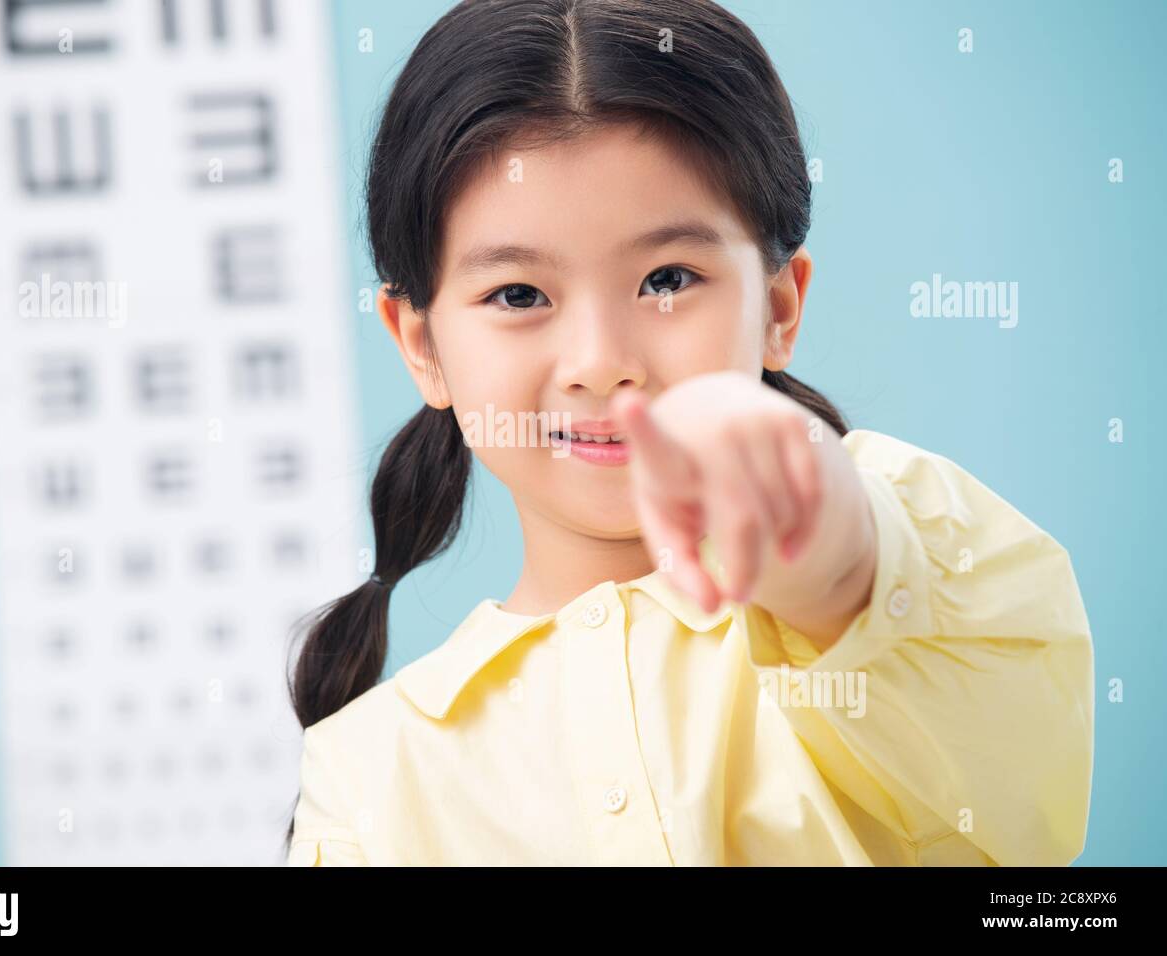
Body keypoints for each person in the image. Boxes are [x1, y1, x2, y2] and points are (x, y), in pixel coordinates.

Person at [285, 0, 1093, 866]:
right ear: (421, 345)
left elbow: (1013, 781)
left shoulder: (901, 575)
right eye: (518, 295)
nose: (600, 364)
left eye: (668, 278)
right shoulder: (369, 777)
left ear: (779, 307)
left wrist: (834, 559)